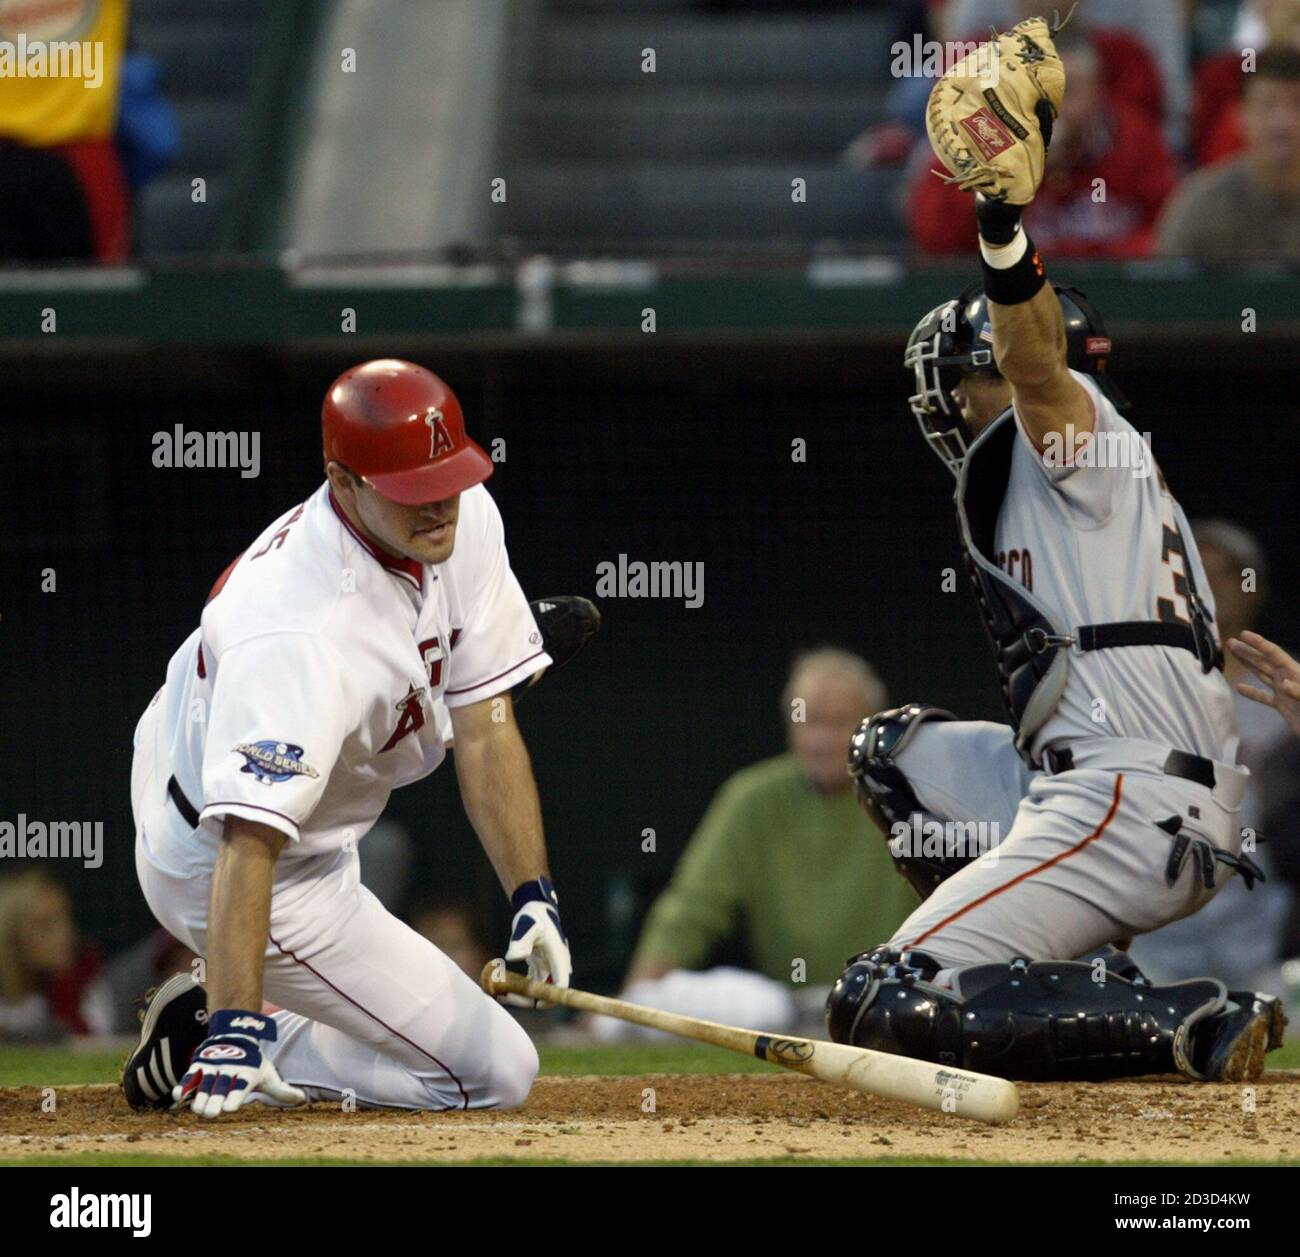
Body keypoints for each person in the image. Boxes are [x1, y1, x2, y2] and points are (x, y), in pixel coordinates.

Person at [827, 21, 1286, 1087]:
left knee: (883, 999)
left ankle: (1179, 1020)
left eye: (961, 374)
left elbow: (1035, 367)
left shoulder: (1067, 426)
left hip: (1128, 801)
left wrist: (998, 221)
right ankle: (1015, 965)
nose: (945, 398)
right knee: (891, 753)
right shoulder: (1090, 465)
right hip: (1101, 782)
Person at [123, 359, 583, 1118]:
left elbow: (486, 728)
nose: (439, 504)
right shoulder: (298, 629)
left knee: (441, 701)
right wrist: (237, 1020)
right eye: (410, 488)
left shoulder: (458, 515)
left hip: (215, 743)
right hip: (229, 855)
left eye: (449, 476)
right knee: (496, 1073)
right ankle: (217, 1023)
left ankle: (469, 663)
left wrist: (533, 894)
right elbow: (248, 841)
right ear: (343, 481)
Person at [603, 649, 917, 1039]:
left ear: (875, 728)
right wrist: (630, 1007)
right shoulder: (752, 799)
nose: (820, 740)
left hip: (899, 1007)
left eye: (839, 723)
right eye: (808, 722)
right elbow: (690, 910)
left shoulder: (912, 798)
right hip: (789, 1014)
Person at [1127, 522, 1298, 989]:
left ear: (1254, 587)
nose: (1212, 584)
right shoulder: (1131, 683)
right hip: (1156, 900)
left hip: (1258, 903)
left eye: (1229, 573)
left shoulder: (1286, 685)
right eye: (1195, 570)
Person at [910, 33, 1178, 257]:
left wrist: (1087, 255)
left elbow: (1170, 235)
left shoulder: (1135, 139)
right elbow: (937, 241)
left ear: (1098, 92)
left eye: (1069, 91)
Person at [1157, 47, 1300, 260]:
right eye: (1267, 105)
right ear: (1239, 116)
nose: (1282, 122)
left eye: (1296, 104)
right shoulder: (1201, 207)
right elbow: (1165, 288)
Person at [0, 871, 114, 1041]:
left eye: (66, 918)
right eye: (46, 924)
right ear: (12, 936)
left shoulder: (87, 984)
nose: (66, 934)